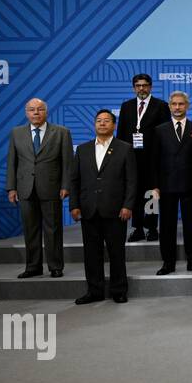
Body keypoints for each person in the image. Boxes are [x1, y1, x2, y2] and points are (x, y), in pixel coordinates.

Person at [69, 109, 137, 304]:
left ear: (114, 125)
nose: (102, 123)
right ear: (94, 124)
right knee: (91, 254)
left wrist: (128, 205)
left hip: (116, 210)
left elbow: (132, 181)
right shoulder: (82, 149)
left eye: (106, 121)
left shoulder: (124, 148)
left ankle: (119, 290)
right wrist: (74, 205)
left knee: (117, 253)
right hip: (88, 210)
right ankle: (94, 291)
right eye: (99, 121)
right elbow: (74, 180)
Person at [5, 98, 73, 279]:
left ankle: (55, 266)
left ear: (46, 112)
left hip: (51, 187)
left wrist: (66, 185)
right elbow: (12, 162)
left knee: (53, 229)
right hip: (25, 188)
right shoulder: (16, 133)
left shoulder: (61, 132)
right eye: (32, 110)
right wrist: (11, 188)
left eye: (40, 109)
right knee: (30, 229)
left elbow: (68, 162)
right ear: (26, 113)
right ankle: (33, 266)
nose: (36, 113)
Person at [149, 90, 192, 275]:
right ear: (169, 106)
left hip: (190, 185)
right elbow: (153, 160)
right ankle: (168, 263)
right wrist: (154, 185)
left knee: (191, 225)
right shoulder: (159, 130)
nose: (177, 107)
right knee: (167, 227)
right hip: (165, 186)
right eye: (174, 104)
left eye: (181, 104)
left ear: (187, 106)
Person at [116, 73, 170, 242]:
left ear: (150, 87)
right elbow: (121, 133)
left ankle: (152, 228)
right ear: (134, 88)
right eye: (138, 86)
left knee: (151, 194)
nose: (142, 89)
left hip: (153, 158)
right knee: (135, 193)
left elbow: (165, 133)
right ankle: (138, 228)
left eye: (145, 85)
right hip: (132, 158)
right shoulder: (127, 106)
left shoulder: (160, 106)